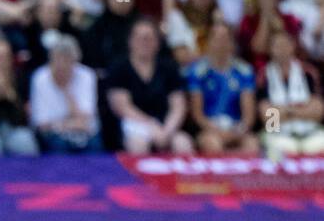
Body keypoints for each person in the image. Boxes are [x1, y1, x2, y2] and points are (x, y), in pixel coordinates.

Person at [107, 18, 194, 153]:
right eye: (140, 38)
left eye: (149, 38)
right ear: (130, 41)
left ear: (157, 42)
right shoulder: (119, 67)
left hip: (166, 124)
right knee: (138, 145)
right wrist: (151, 126)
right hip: (133, 125)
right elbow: (122, 107)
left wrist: (166, 131)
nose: (144, 43)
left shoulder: (169, 67)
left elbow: (178, 106)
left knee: (183, 144)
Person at [186, 21, 259, 154]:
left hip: (238, 127)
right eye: (217, 38)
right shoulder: (197, 72)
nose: (221, 43)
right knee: (213, 144)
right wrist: (218, 131)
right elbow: (197, 114)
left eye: (225, 39)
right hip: (210, 128)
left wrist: (237, 131)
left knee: (253, 144)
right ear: (209, 42)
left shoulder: (245, 71)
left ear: (232, 43)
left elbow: (251, 114)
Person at [257, 28, 324, 158]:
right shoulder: (264, 74)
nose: (281, 49)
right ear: (270, 49)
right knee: (275, 147)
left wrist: (284, 111)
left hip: (309, 132)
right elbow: (269, 119)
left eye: (285, 44)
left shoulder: (308, 72)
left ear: (292, 46)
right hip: (278, 135)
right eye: (277, 45)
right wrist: (301, 109)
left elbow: (318, 112)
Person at [30, 33, 102, 152]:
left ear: (75, 61)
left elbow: (86, 120)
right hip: (53, 135)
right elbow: (41, 123)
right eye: (58, 60)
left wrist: (67, 92)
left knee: (93, 145)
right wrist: (67, 125)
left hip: (84, 133)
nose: (61, 65)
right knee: (59, 145)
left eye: (67, 61)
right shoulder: (40, 78)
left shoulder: (87, 75)